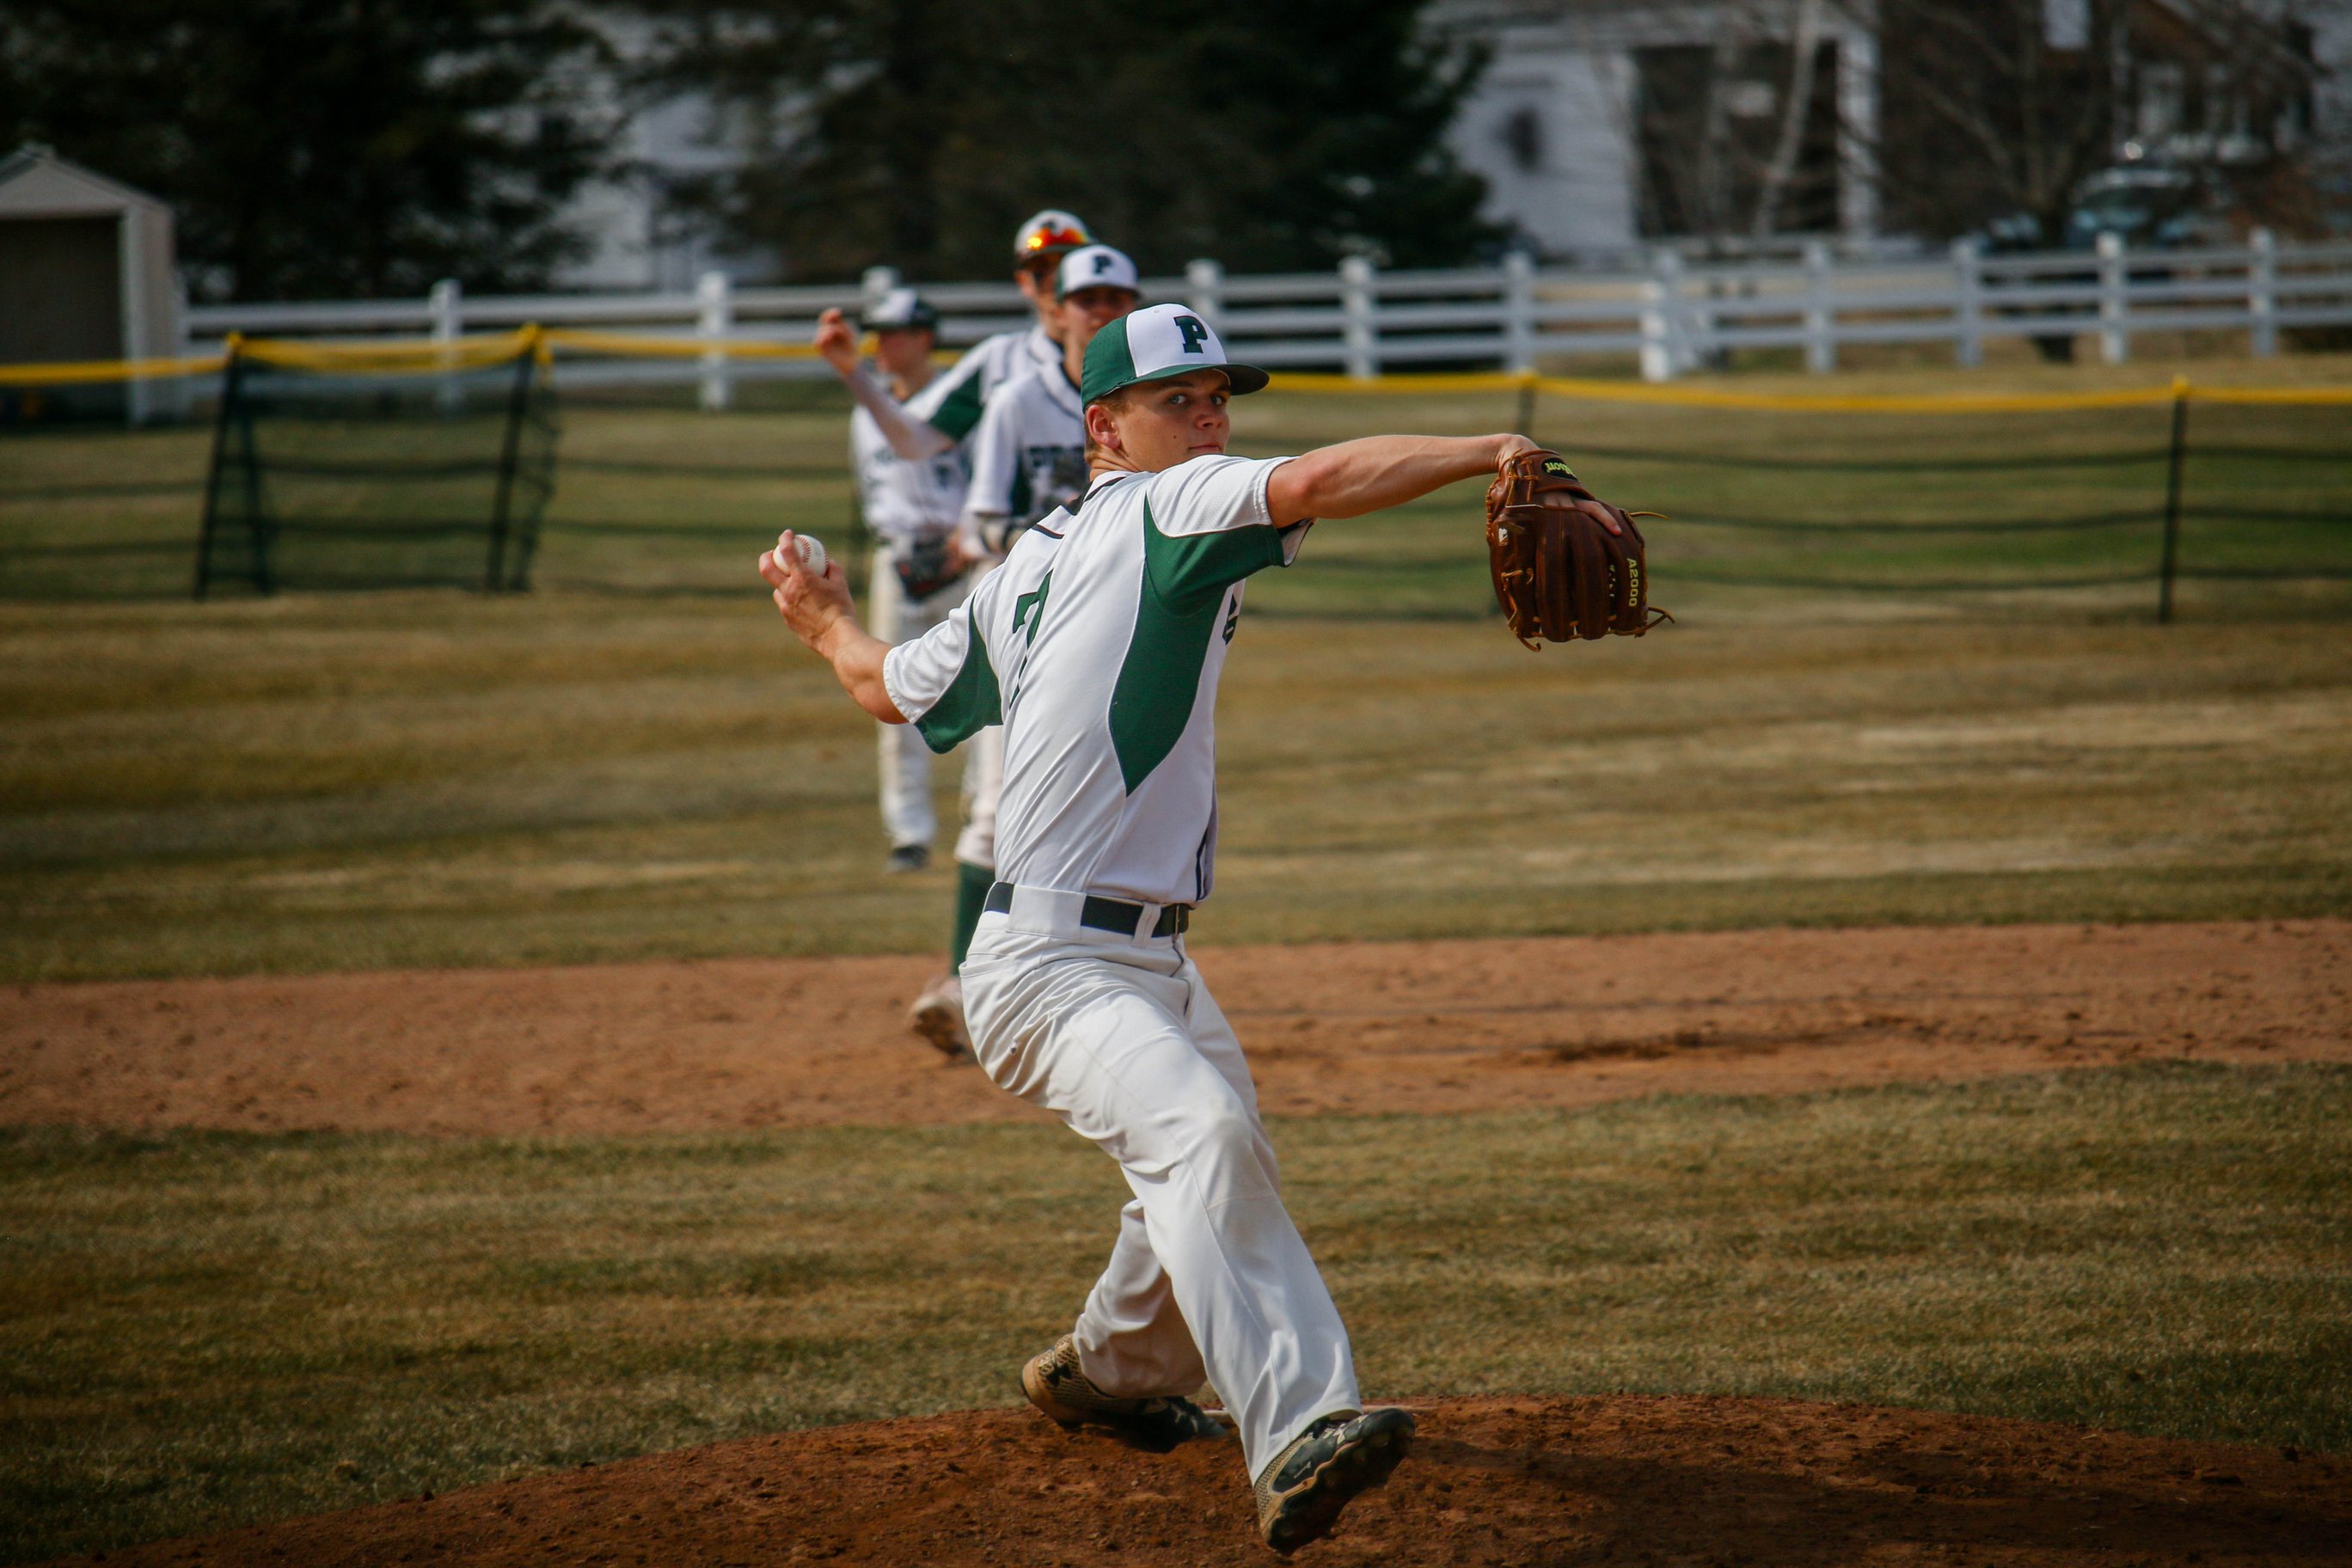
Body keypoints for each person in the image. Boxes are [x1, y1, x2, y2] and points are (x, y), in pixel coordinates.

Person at [758, 302, 1632, 1553]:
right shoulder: (1168, 505)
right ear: (1104, 429)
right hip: (1049, 966)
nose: (1211, 418)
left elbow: (883, 685)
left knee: (1222, 1154)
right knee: (1202, 1137)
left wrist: (822, 619)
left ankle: (1111, 1373)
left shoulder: (1028, 572)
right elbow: (1319, 481)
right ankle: (1299, 1428)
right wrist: (1495, 446)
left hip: (1139, 957)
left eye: (1219, 397)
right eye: (1179, 399)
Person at [812, 209, 1097, 1056]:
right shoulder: (1004, 368)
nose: (1058, 287)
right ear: (1025, 283)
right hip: (1015, 603)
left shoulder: (1130, 365)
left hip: (1114, 610)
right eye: (1042, 272)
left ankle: (1056, 974)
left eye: (1074, 271)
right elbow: (911, 437)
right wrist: (857, 376)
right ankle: (970, 984)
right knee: (997, 799)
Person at [822, 287, 972, 875]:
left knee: (988, 694)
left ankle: (986, 823)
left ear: (924, 337)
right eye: (876, 334)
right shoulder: (868, 412)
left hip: (966, 561)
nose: (881, 344)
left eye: (893, 333)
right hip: (899, 561)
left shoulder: (962, 401)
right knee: (894, 699)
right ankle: (909, 834)